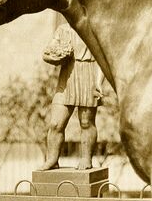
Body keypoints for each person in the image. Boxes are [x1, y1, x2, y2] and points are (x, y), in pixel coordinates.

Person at [40, 22, 104, 170]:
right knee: (56, 123)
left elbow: (101, 59)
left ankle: (86, 159)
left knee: (86, 122)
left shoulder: (92, 27)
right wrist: (55, 55)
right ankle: (52, 160)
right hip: (67, 75)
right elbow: (47, 52)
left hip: (89, 74)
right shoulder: (63, 29)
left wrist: (99, 82)